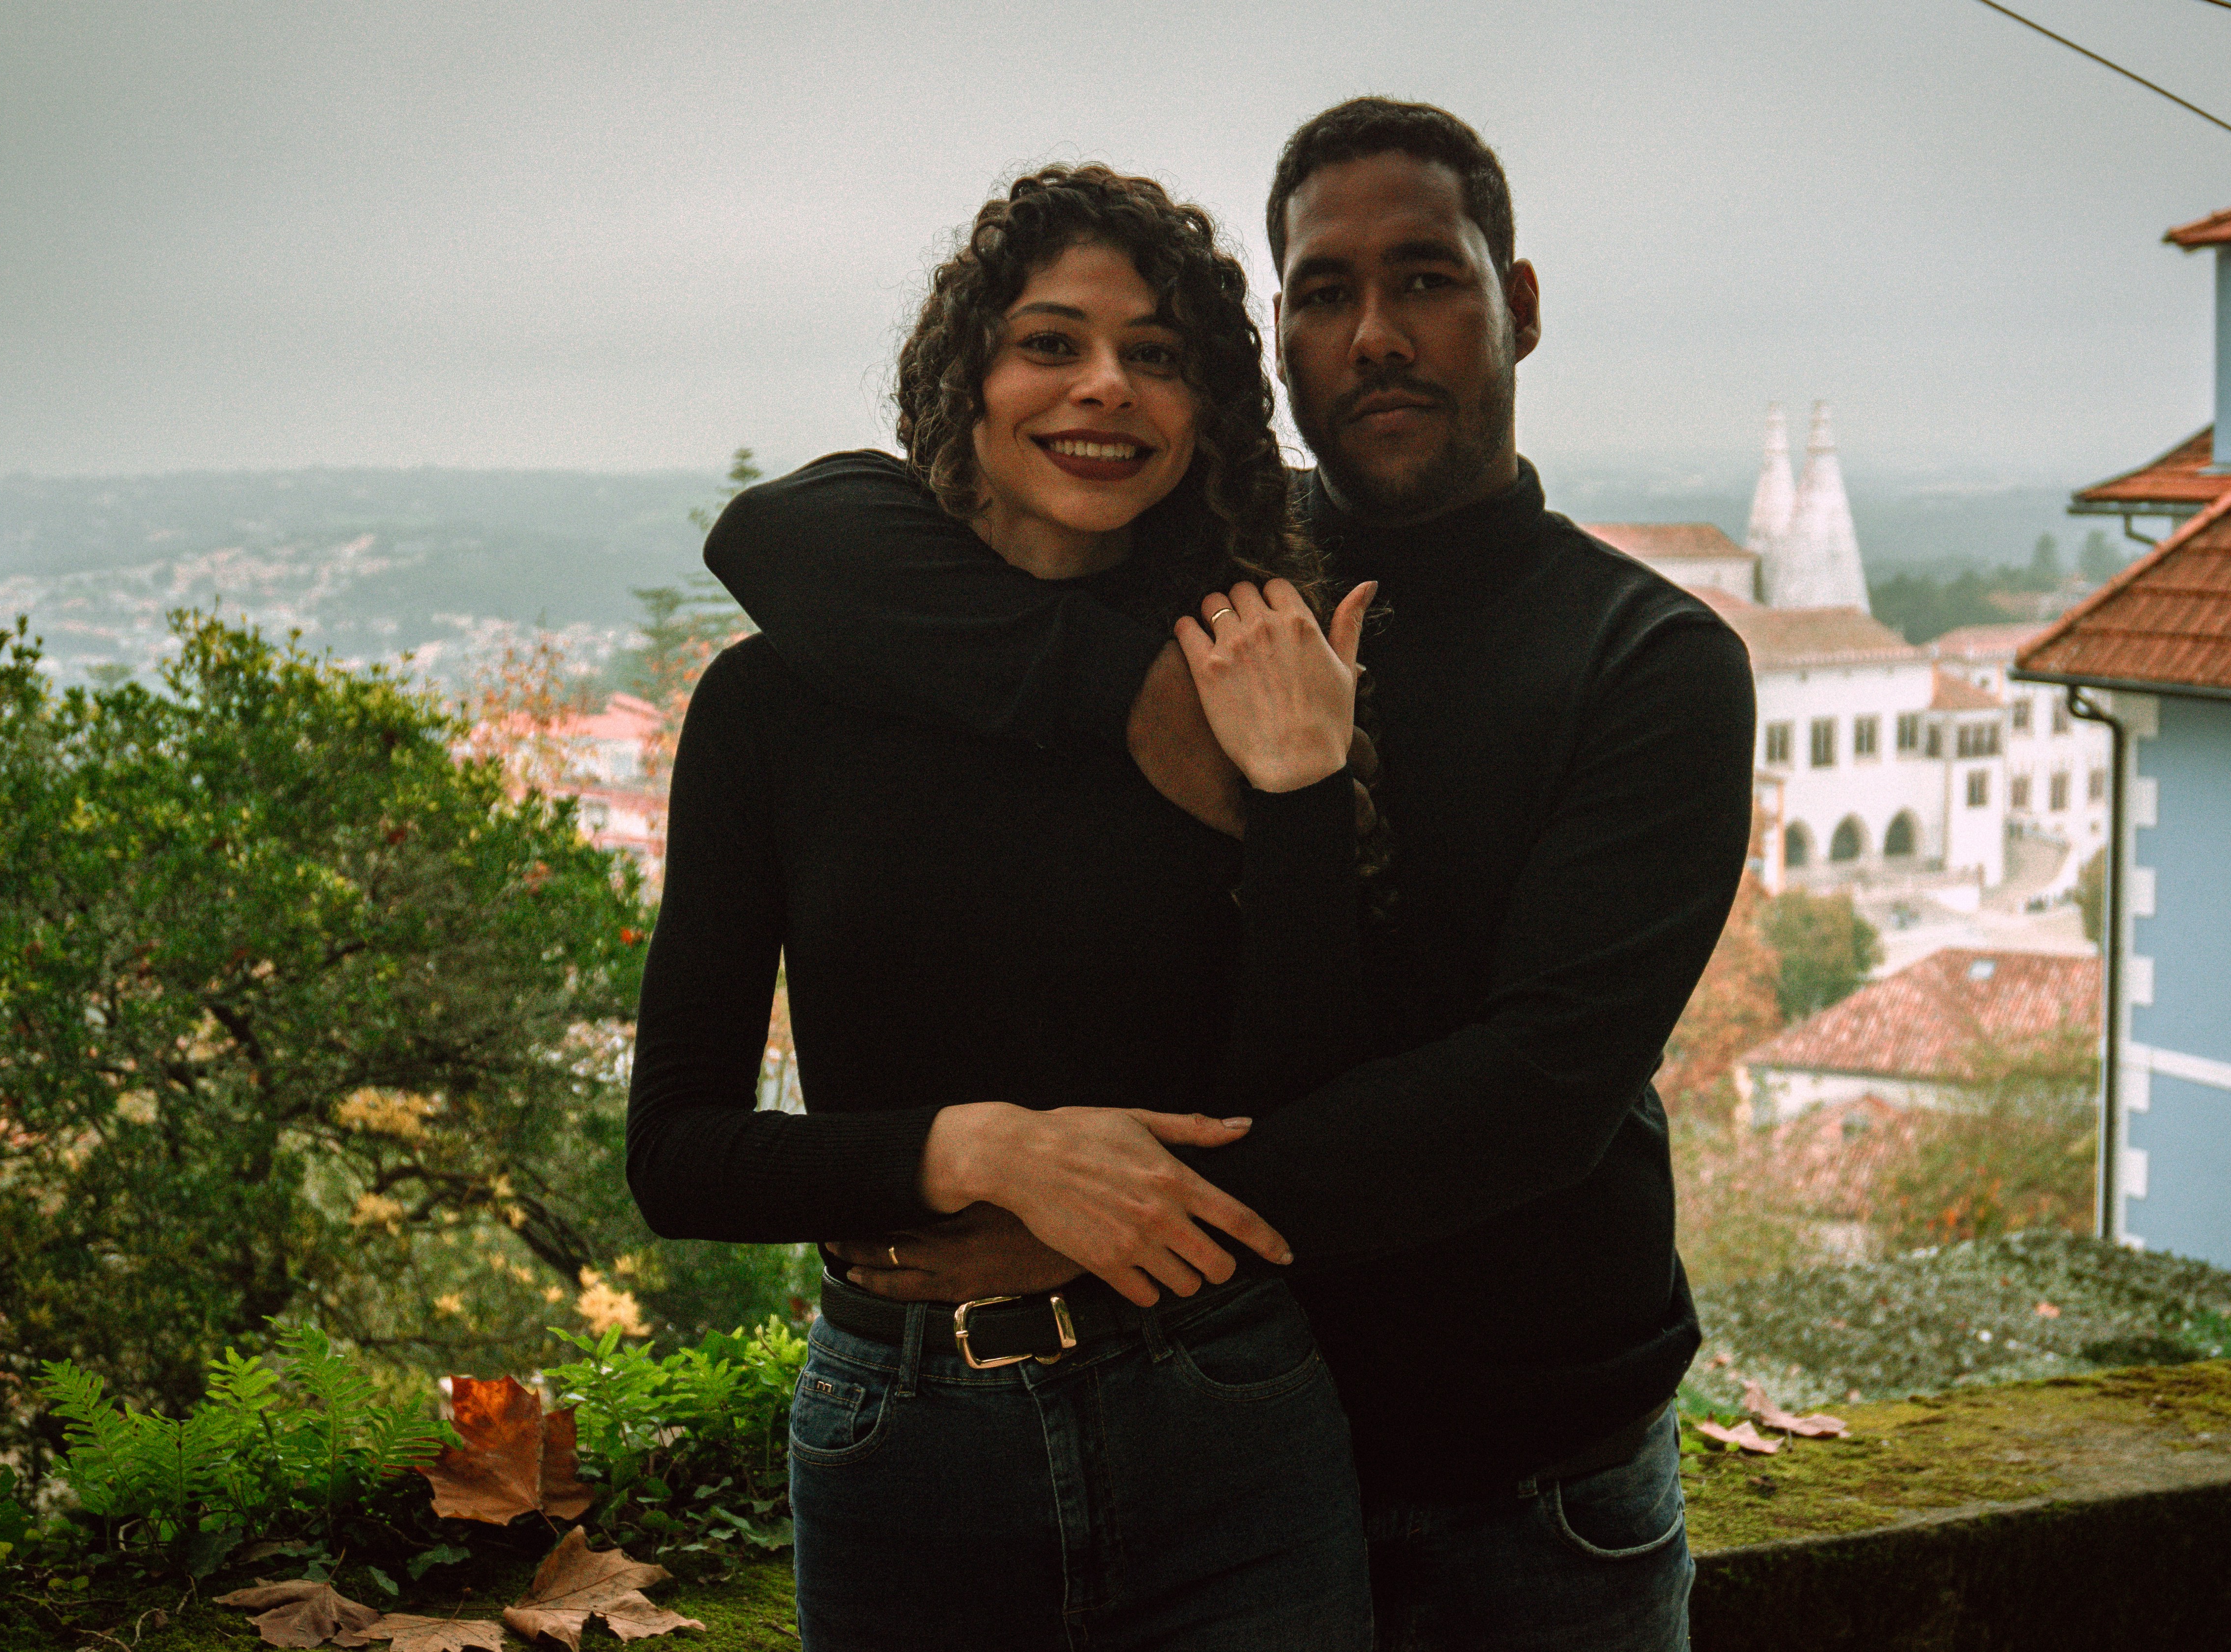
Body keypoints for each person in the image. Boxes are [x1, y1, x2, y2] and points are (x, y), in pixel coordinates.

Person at [704, 100, 1756, 1651]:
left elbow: (1535, 1094)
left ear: (1517, 304)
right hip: (1222, 1428)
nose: (1376, 334)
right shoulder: (1212, 589)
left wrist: (1096, 1213)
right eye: (1326, 295)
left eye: (1429, 281)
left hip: (1524, 1468)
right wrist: (1129, 703)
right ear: (1277, 338)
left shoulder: (1649, 661)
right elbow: (794, 534)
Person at [623, 164, 1386, 1651]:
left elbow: (1308, 1102)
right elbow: (677, 1158)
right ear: (968, 379)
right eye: (1053, 342)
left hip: (1223, 1405)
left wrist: (1301, 791)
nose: (1105, 388)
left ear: (1204, 412)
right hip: (905, 1435)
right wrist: (982, 1153)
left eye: (1157, 356)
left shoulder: (1244, 675)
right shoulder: (774, 705)